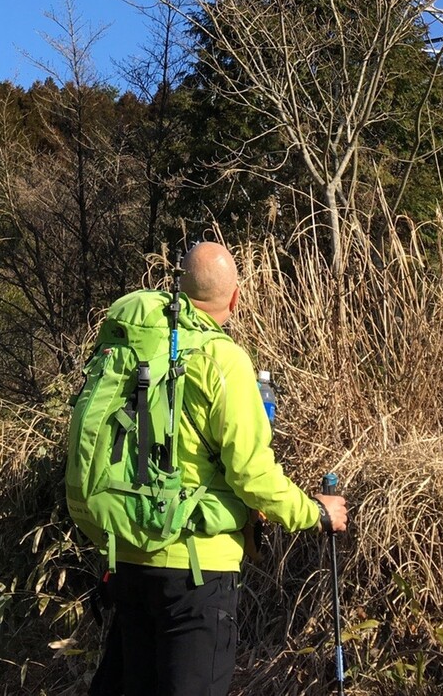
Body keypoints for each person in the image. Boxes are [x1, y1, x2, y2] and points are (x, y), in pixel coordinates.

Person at [91, 241, 347, 696]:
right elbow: (253, 476)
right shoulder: (222, 359)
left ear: (178, 289)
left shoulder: (131, 348)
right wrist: (317, 512)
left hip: (126, 557)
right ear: (234, 297)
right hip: (196, 570)